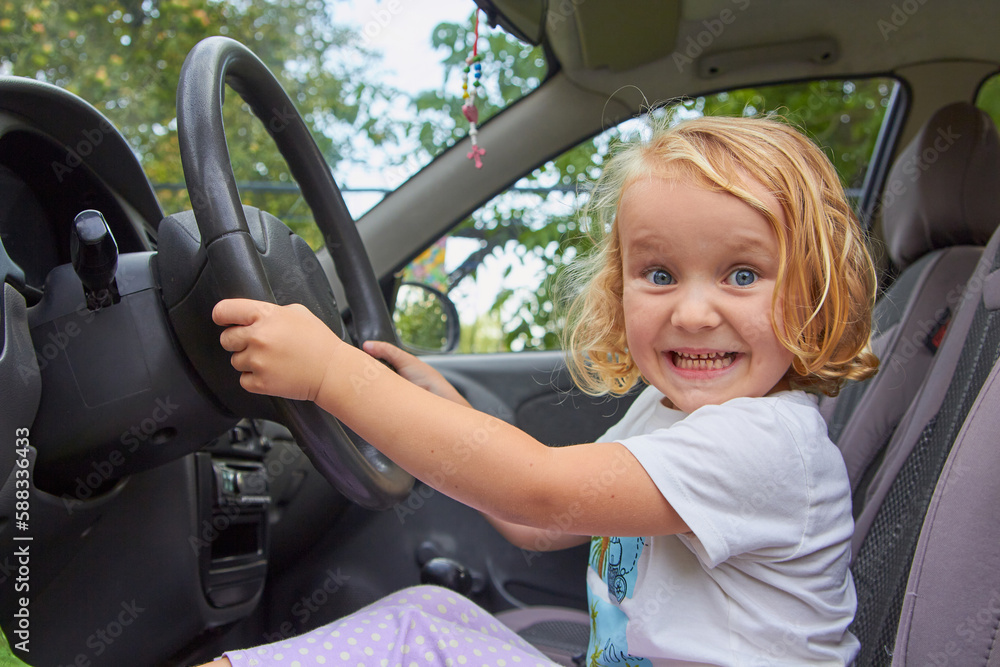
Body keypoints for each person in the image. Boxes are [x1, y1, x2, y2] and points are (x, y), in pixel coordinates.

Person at [202, 114, 878, 666]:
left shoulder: (763, 443)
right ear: (620, 289)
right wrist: (449, 408)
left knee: (413, 638)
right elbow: (540, 522)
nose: (693, 313)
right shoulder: (669, 411)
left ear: (811, 292)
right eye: (660, 274)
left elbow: (539, 488)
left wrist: (331, 375)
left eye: (740, 275)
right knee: (429, 611)